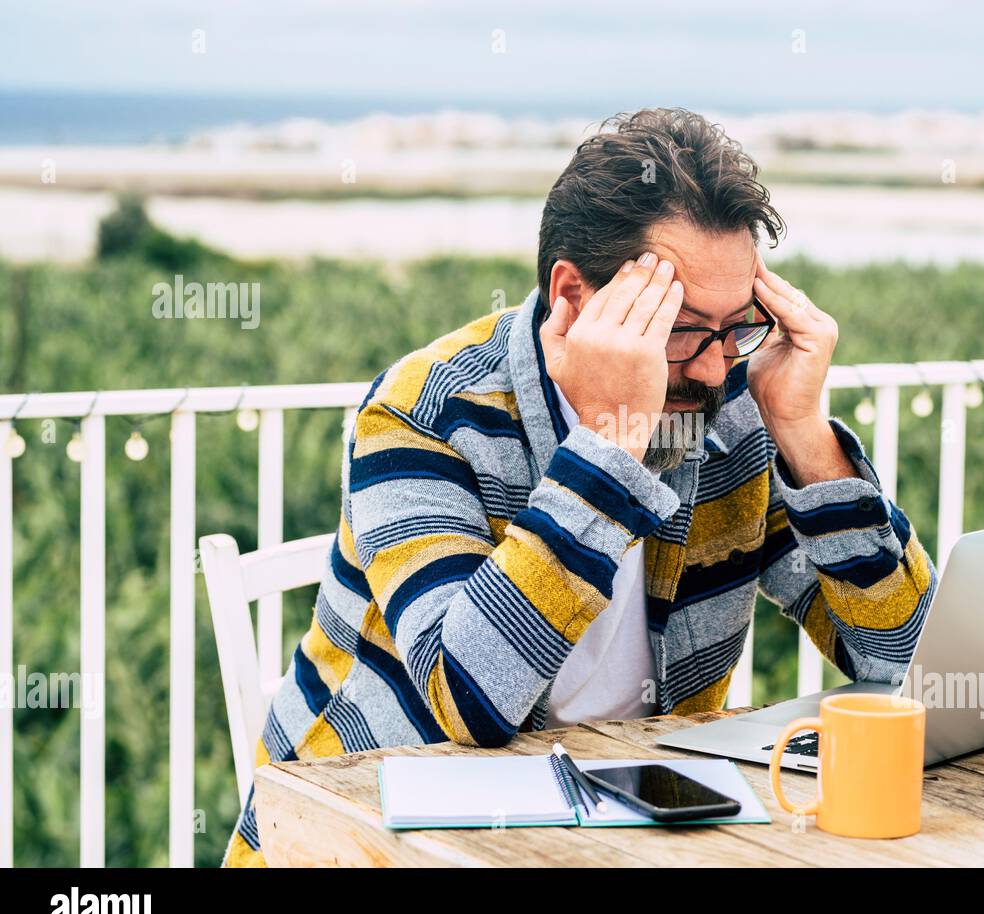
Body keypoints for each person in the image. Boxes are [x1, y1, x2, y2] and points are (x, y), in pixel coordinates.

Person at [222, 107, 935, 866]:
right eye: (682, 325)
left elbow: (906, 664)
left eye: (737, 328)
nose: (714, 367)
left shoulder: (730, 415)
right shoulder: (426, 411)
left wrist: (805, 435)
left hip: (617, 838)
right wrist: (611, 445)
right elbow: (468, 698)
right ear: (573, 294)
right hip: (356, 839)